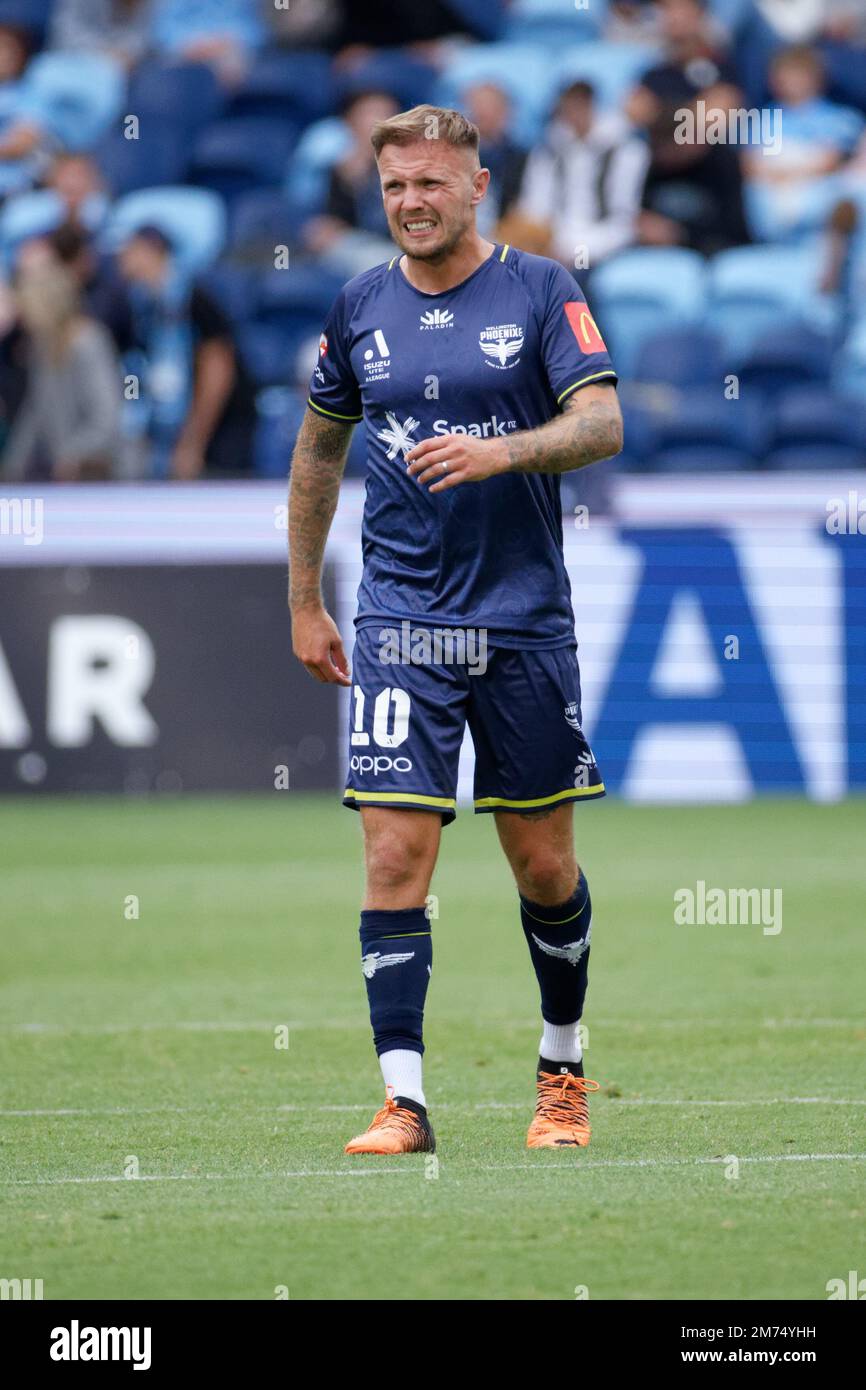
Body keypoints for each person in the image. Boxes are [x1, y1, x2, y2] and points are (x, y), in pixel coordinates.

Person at [288, 104, 622, 1156]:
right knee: (392, 858)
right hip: (398, 617)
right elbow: (316, 458)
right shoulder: (358, 305)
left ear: (476, 186)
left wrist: (500, 452)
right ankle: (403, 1102)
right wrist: (304, 598)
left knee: (541, 865)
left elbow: (602, 424)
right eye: (394, 187)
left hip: (520, 622)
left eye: (431, 183)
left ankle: (560, 1069)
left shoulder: (541, 290)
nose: (411, 203)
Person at [117, 225, 258, 478]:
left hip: (221, 432)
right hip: (171, 429)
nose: (123, 259)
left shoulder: (196, 298)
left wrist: (193, 442)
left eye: (131, 250)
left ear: (154, 251)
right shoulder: (142, 307)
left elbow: (218, 372)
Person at [1, 261, 122, 481]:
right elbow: (35, 411)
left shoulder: (88, 342)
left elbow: (107, 418)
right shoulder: (42, 346)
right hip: (64, 471)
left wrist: (71, 452)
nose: (22, 317)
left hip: (100, 471)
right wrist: (12, 466)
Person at [518, 79, 647, 269]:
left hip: (603, 240)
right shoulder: (548, 149)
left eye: (580, 106)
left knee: (576, 268)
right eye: (569, 108)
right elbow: (535, 207)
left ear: (592, 106)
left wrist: (577, 249)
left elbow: (623, 215)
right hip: (554, 242)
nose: (575, 114)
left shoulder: (626, 150)